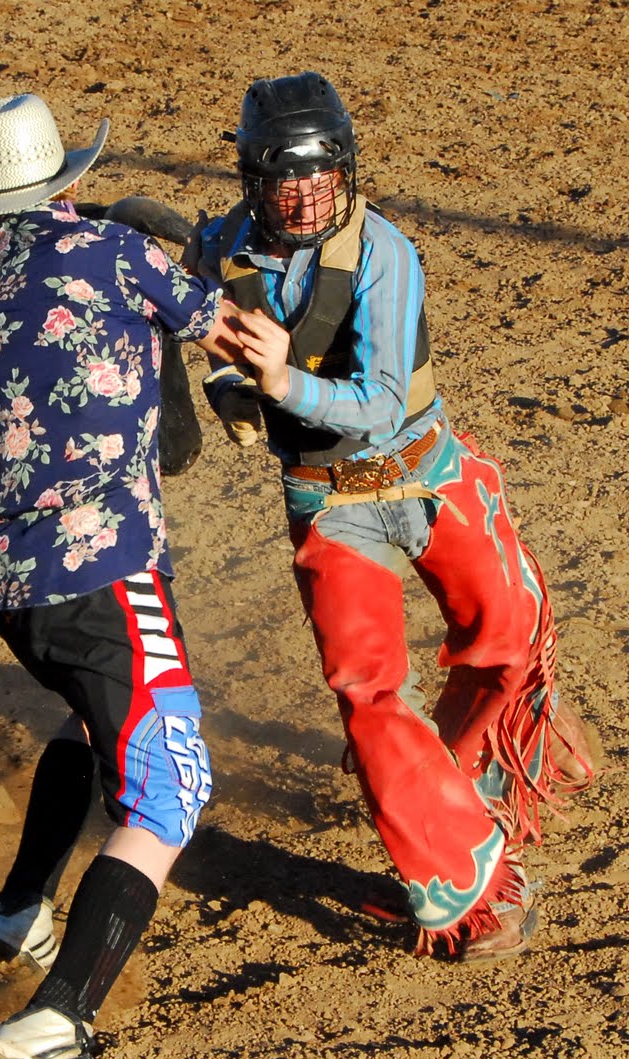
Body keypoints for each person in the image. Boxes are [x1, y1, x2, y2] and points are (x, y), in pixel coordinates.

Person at [188, 71, 600, 961]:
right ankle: (466, 880)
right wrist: (234, 388)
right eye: (281, 177)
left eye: (318, 175)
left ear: (344, 170)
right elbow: (218, 351)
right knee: (367, 692)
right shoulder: (217, 250)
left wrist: (277, 382)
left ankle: (469, 785)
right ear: (251, 180)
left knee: (506, 638)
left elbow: (377, 401)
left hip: (425, 472)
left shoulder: (386, 252)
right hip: (329, 503)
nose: (302, 195)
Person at [0, 93, 231, 1059]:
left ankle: (18, 906)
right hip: (104, 568)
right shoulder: (107, 247)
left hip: (7, 581)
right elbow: (215, 322)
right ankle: (57, 1017)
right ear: (70, 181)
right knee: (172, 785)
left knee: (87, 718)